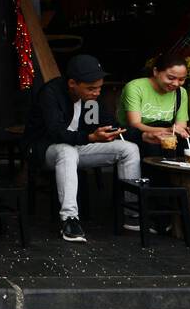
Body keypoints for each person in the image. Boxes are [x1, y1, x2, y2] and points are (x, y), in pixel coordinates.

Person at [24, 54, 141, 243]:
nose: (96, 93)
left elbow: (110, 124)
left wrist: (143, 135)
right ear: (72, 83)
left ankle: (131, 212)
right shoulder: (51, 93)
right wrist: (90, 137)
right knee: (66, 150)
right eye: (91, 88)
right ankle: (70, 219)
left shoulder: (91, 99)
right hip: (44, 150)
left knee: (129, 149)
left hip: (78, 146)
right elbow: (56, 133)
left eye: (99, 88)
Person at [117, 52, 190, 153]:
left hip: (167, 135)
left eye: (181, 79)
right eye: (171, 78)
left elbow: (180, 126)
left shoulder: (181, 92)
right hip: (137, 134)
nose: (176, 83)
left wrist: (186, 131)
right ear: (156, 71)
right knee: (153, 148)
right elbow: (134, 124)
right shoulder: (135, 87)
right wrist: (167, 130)